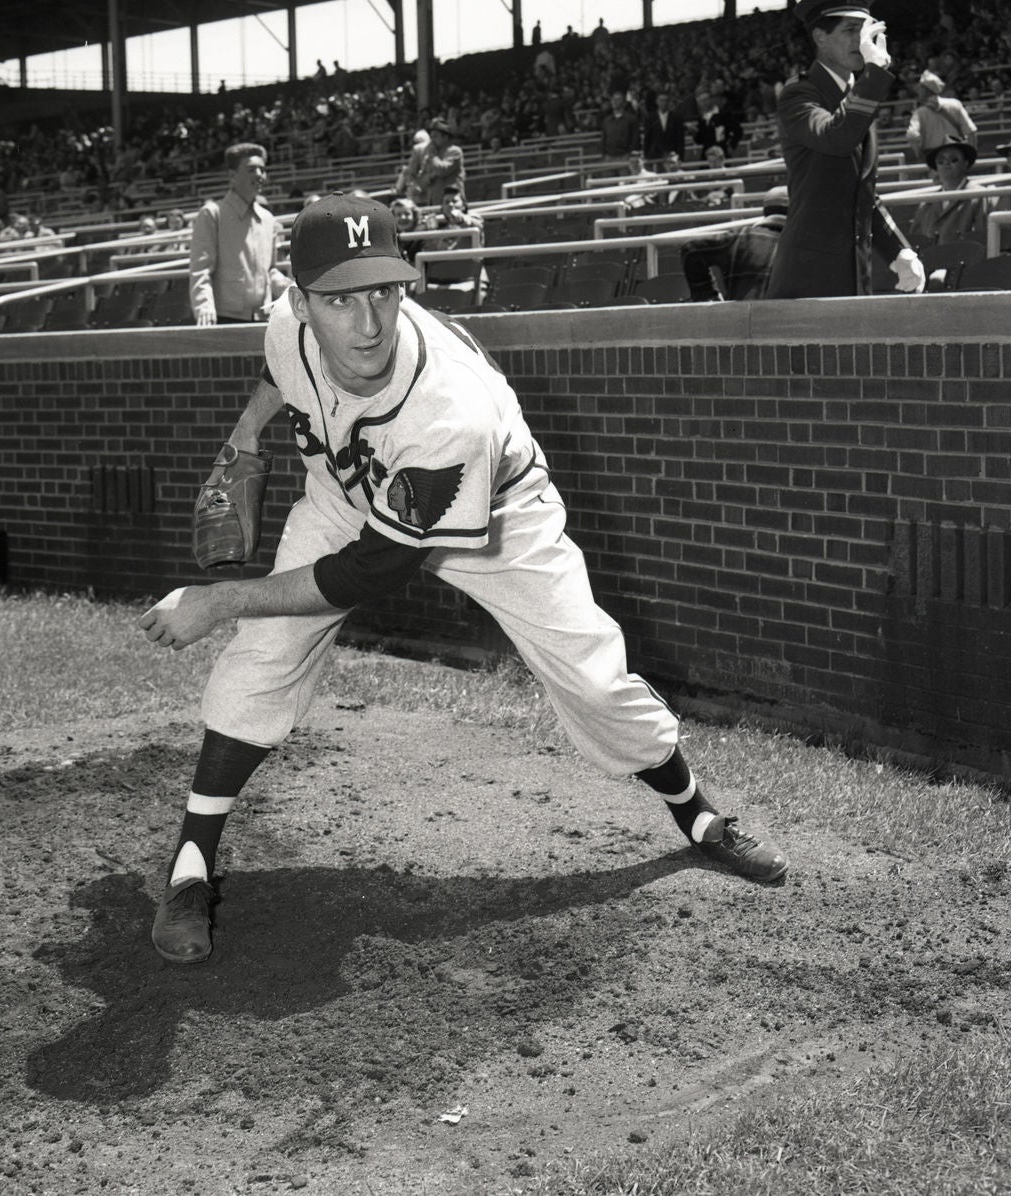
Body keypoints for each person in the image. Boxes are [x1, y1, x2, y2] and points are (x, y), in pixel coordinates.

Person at [139, 192, 788, 965]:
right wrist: (245, 434)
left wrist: (219, 599)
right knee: (266, 651)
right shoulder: (288, 326)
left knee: (591, 680)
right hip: (349, 496)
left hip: (498, 515)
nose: (368, 322)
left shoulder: (451, 409)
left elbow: (370, 571)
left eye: (383, 291)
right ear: (299, 298)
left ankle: (699, 817)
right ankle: (190, 866)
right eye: (340, 299)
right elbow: (284, 372)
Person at [764, 0, 924, 300]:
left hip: (854, 269)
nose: (862, 42)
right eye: (850, 30)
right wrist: (874, 75)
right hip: (808, 274)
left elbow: (860, 193)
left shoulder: (856, 95)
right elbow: (836, 138)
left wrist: (899, 251)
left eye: (865, 31)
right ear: (820, 38)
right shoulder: (800, 93)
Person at [188, 142, 285, 326]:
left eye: (262, 170)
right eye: (251, 169)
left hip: (263, 319)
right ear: (232, 176)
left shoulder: (268, 219)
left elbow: (270, 269)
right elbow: (200, 270)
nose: (259, 175)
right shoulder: (211, 214)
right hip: (221, 318)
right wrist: (204, 308)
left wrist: (282, 283)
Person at [681, 189, 788, 301]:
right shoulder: (798, 247)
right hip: (785, 316)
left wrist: (707, 298)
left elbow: (691, 249)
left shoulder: (740, 237)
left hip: (736, 316)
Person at [909, 139, 992, 247]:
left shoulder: (978, 196)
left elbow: (981, 240)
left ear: (965, 164)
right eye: (940, 161)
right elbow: (916, 240)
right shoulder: (926, 203)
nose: (946, 163)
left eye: (953, 159)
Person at [904, 71, 979, 163]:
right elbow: (971, 132)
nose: (918, 91)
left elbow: (912, 136)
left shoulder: (919, 113)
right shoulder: (955, 104)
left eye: (920, 88)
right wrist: (970, 158)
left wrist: (918, 154)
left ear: (926, 90)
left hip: (934, 158)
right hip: (957, 157)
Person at [397, 119, 465, 208]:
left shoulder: (454, 151)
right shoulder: (431, 153)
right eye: (431, 136)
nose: (432, 140)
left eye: (435, 136)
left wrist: (432, 156)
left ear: (445, 137)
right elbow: (419, 175)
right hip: (434, 201)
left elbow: (442, 170)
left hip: (453, 202)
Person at [643, 91, 687, 167]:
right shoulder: (650, 118)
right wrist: (646, 155)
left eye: (666, 101)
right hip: (655, 154)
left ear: (669, 102)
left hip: (672, 153)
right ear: (657, 101)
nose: (664, 103)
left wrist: (680, 157)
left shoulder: (677, 118)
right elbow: (647, 138)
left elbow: (680, 139)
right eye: (661, 100)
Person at [599, 91, 641, 161]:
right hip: (609, 157)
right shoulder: (606, 120)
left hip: (625, 156)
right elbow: (603, 139)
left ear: (624, 103)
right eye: (613, 99)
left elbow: (635, 139)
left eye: (618, 99)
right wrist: (604, 154)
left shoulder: (631, 119)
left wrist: (630, 155)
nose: (614, 101)